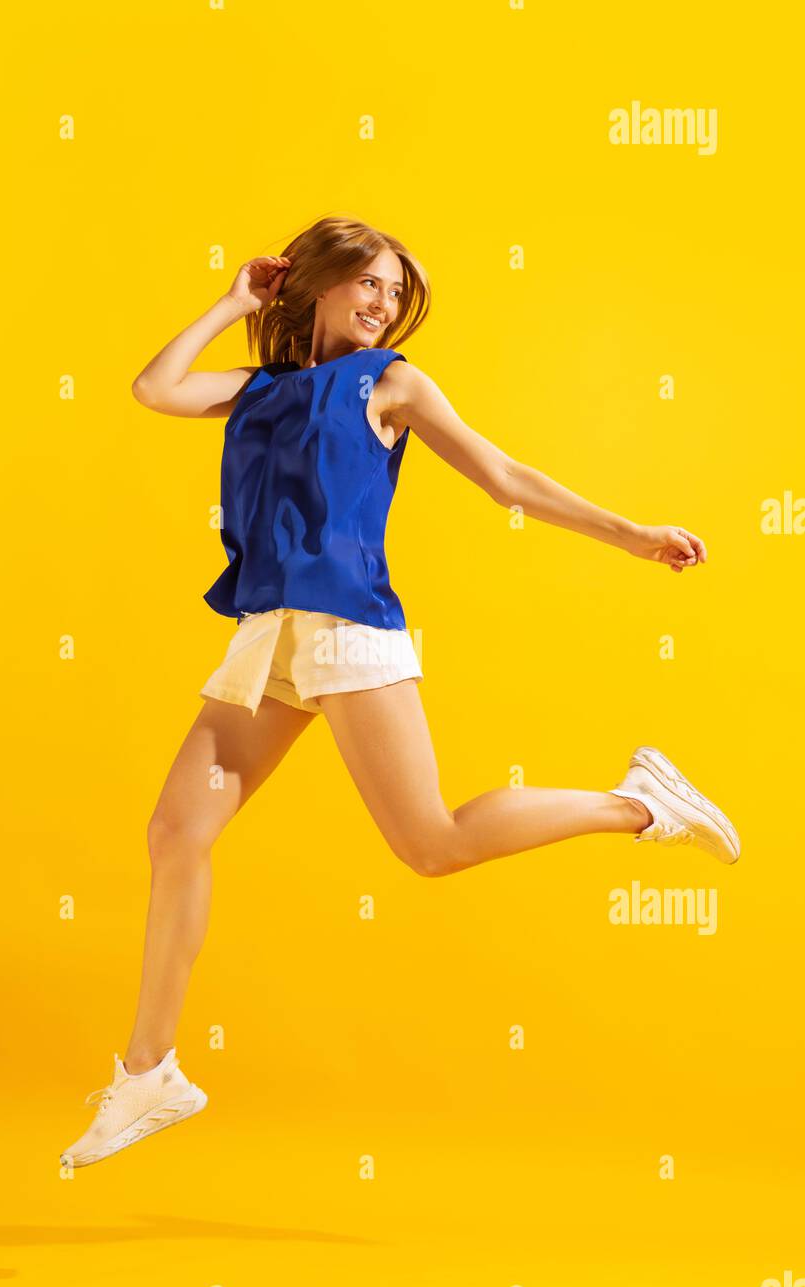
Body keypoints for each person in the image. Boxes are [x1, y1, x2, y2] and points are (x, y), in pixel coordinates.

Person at [60, 215, 740, 1170]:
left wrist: (631, 534)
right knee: (176, 834)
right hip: (269, 634)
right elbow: (154, 388)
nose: (381, 304)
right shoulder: (260, 389)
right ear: (316, 284)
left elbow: (505, 477)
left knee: (433, 843)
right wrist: (231, 301)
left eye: (393, 291)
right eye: (366, 284)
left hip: (345, 628)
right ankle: (149, 1071)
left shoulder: (390, 384)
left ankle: (638, 803)